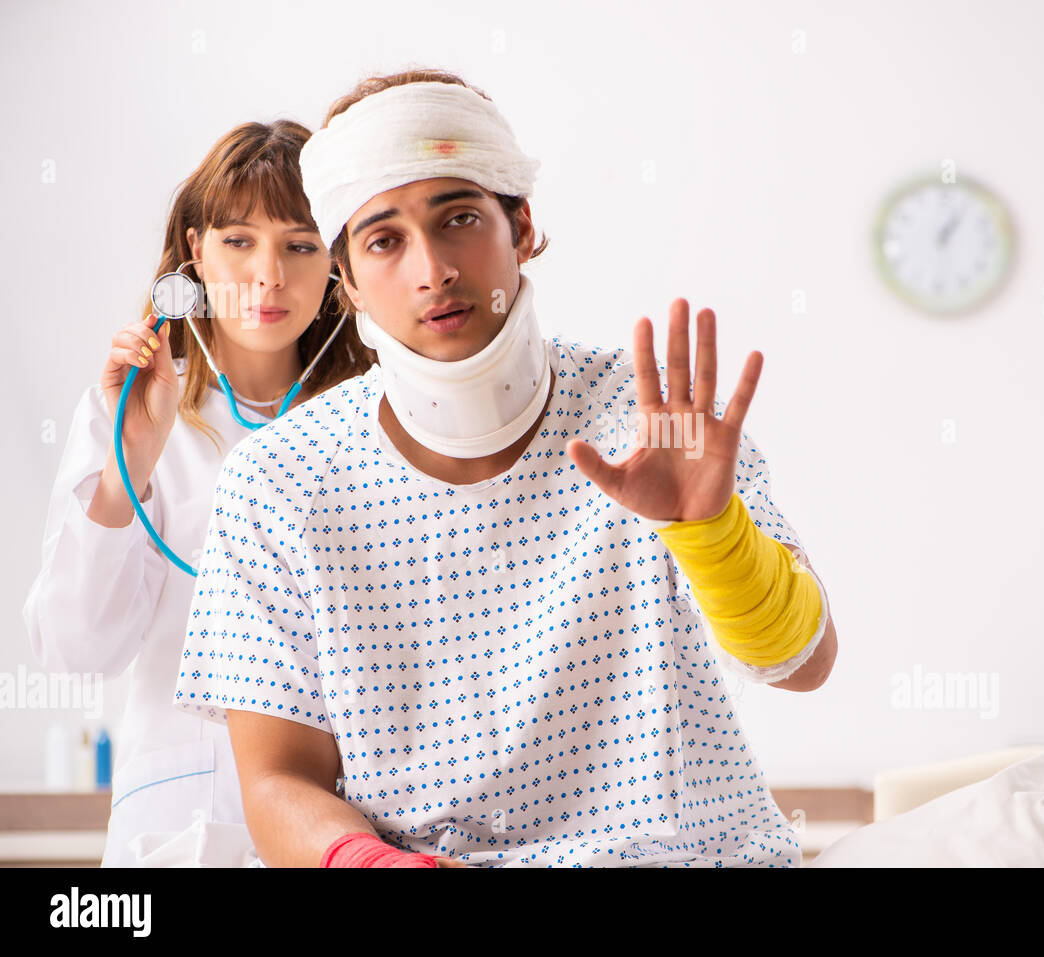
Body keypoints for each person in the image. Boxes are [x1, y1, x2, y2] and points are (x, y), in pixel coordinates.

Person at [172, 68, 838, 868]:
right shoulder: (279, 480)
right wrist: (371, 862)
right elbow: (278, 782)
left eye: (458, 218)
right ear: (345, 278)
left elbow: (805, 663)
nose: (432, 271)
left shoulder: (647, 419)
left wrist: (711, 532)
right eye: (384, 239)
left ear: (521, 226)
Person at [23, 119, 377, 867]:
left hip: (342, 815)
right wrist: (132, 466)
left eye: (301, 244)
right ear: (194, 254)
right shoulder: (126, 415)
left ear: (339, 262)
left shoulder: (377, 419)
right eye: (238, 241)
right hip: (178, 823)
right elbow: (74, 649)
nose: (268, 275)